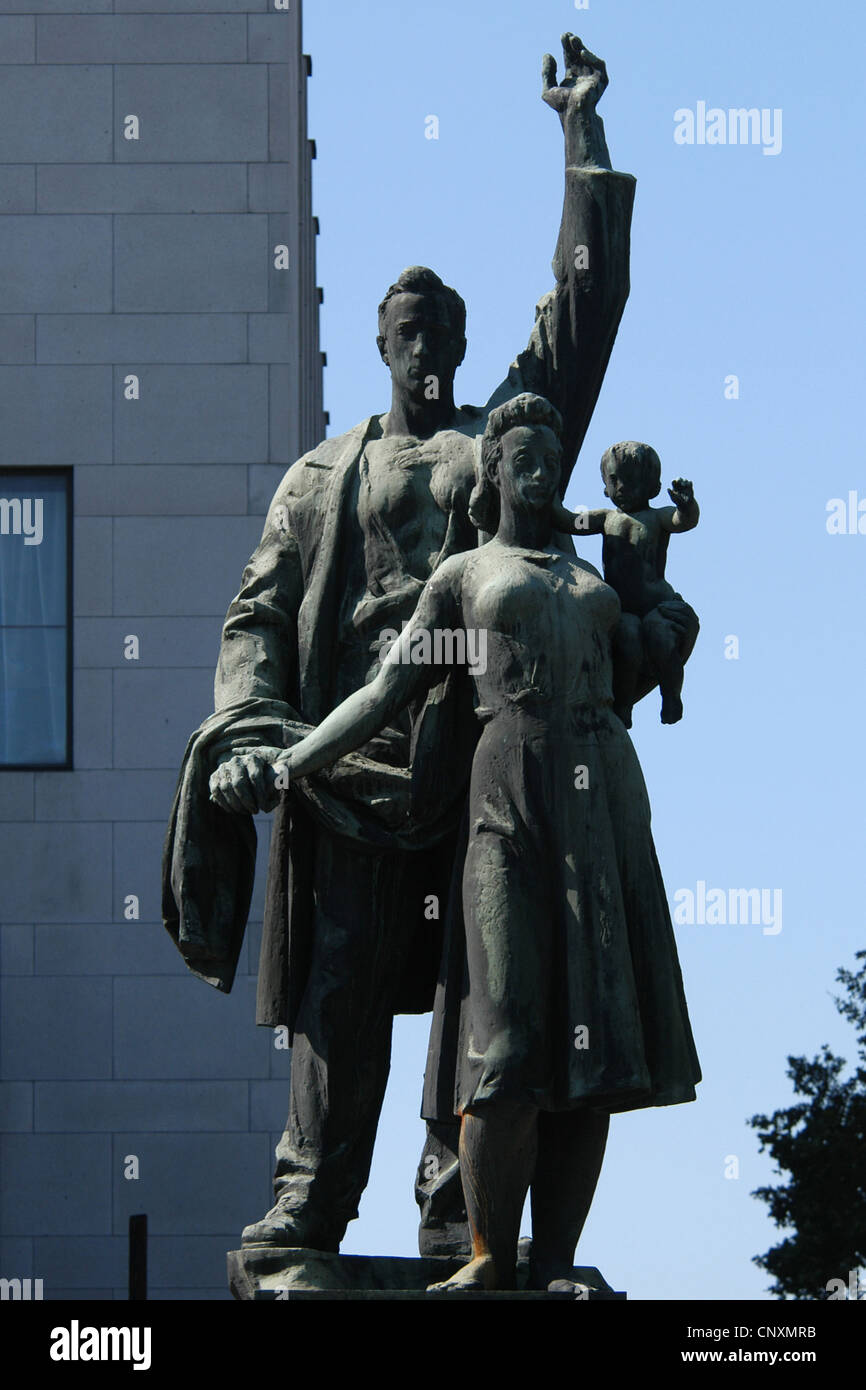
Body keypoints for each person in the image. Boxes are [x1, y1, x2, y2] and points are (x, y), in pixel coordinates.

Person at [163, 34, 637, 1264]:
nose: (425, 345)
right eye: (406, 328)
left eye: (443, 329)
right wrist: (252, 731)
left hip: (473, 766)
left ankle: (454, 1223)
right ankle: (310, 1200)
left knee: (472, 1000)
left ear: (466, 347)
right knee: (335, 1003)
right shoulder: (322, 475)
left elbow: (583, 313)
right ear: (381, 343)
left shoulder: (499, 445)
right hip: (348, 761)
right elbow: (258, 614)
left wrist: (577, 133)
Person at [260, 394, 702, 1292]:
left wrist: (668, 625)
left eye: (550, 455)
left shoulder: (590, 578)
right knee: (500, 1029)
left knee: (595, 1042)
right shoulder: (464, 579)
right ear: (492, 471)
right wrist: (291, 761)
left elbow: (641, 653)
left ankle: (560, 1260)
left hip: (602, 794)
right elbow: (389, 690)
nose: (539, 468)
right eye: (521, 455)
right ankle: (490, 1254)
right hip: (503, 792)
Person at [554, 441, 700, 726]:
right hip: (622, 609)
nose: (622, 487)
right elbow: (568, 522)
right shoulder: (604, 519)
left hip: (657, 605)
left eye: (631, 481)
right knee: (628, 638)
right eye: (614, 480)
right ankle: (623, 705)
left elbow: (684, 521)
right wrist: (547, 496)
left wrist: (687, 504)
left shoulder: (656, 518)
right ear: (605, 487)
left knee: (661, 637)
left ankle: (671, 695)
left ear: (654, 489)